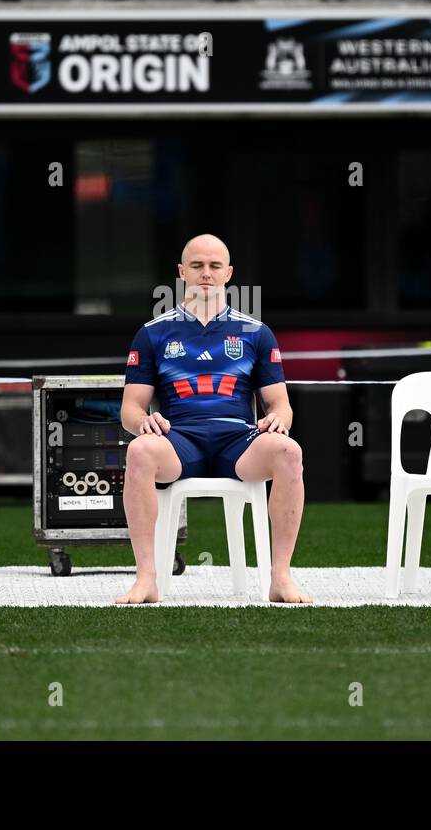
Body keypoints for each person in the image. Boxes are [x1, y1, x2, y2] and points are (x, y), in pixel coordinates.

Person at [119, 234, 312, 604]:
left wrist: (278, 421)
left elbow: (281, 405)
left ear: (229, 273)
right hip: (179, 442)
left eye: (214, 266)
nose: (205, 274)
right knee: (140, 451)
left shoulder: (256, 332)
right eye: (197, 266)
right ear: (181, 272)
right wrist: (143, 423)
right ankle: (146, 578)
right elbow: (130, 408)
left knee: (289, 451)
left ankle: (281, 577)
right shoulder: (152, 333)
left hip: (238, 442)